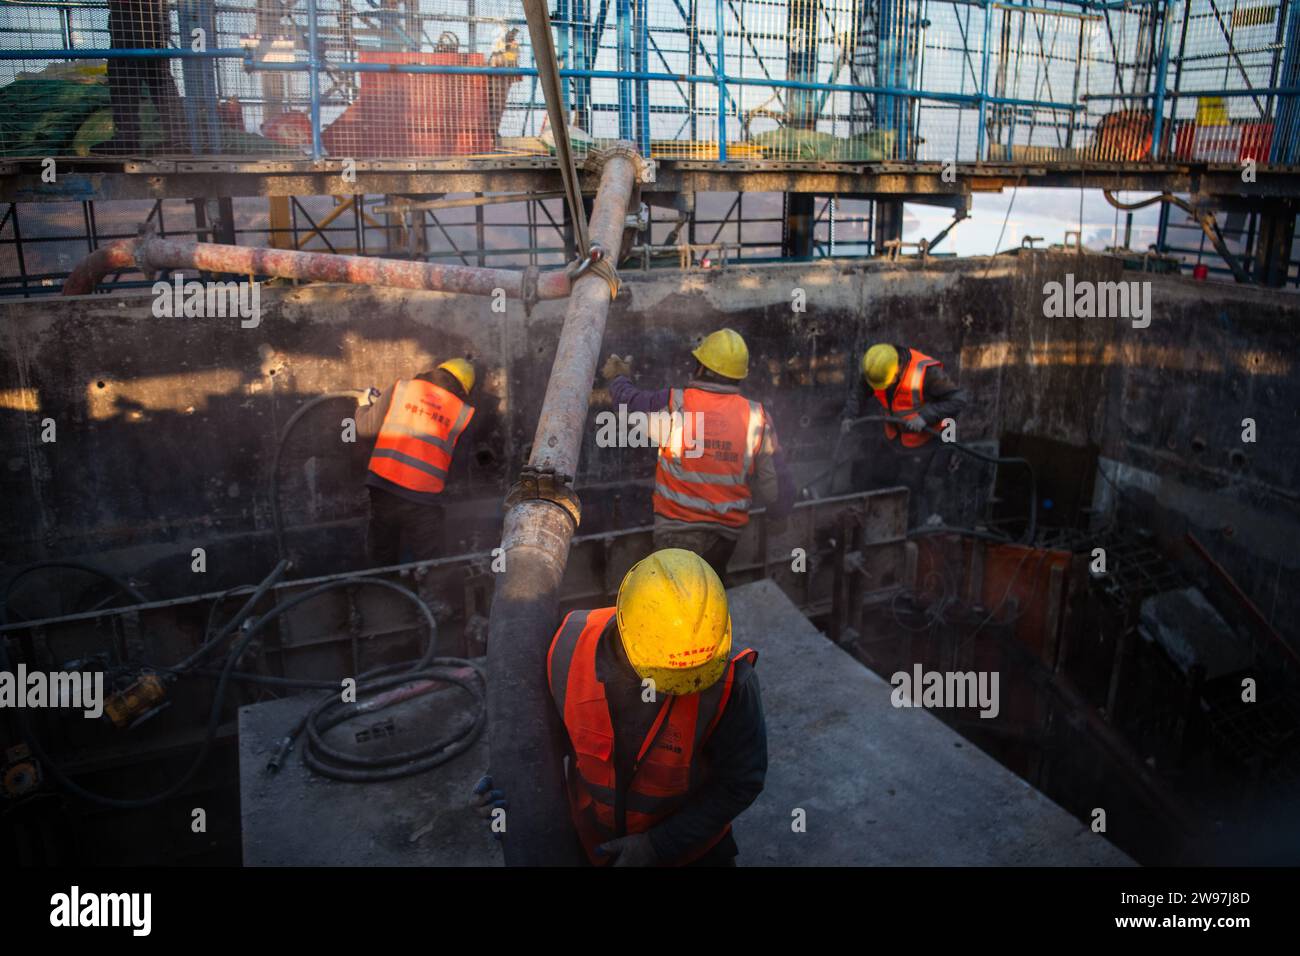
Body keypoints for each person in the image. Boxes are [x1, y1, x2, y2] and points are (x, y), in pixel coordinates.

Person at [475, 548, 767, 866]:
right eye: (669, 676)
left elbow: (740, 780)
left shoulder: (732, 680)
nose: (685, 688)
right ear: (628, 636)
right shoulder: (567, 650)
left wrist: (657, 845)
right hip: (594, 845)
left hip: (690, 851)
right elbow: (546, 736)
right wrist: (509, 775)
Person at [601, 328, 795, 583]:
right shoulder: (756, 416)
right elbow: (776, 486)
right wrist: (778, 515)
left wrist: (618, 378)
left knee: (675, 606)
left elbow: (628, 405)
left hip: (677, 533)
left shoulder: (676, 405)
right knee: (709, 595)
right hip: (725, 539)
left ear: (702, 368)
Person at [355, 359, 476, 565]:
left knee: (382, 558)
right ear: (463, 389)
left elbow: (365, 428)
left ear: (437, 371)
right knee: (431, 565)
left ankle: (385, 593)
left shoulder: (401, 388)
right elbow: (458, 461)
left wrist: (363, 405)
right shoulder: (463, 412)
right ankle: (428, 596)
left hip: (383, 488)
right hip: (424, 498)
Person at [841, 343, 968, 524]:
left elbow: (959, 399)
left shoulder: (926, 373)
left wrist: (925, 417)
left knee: (914, 486)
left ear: (898, 369)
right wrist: (849, 415)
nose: (883, 387)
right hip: (897, 435)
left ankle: (916, 527)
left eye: (888, 383)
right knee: (879, 477)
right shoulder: (877, 366)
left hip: (928, 436)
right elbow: (861, 390)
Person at [96, 0, 187, 154]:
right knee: (157, 76)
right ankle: (180, 138)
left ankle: (127, 139)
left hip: (132, 16)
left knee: (125, 74)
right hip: (151, 16)